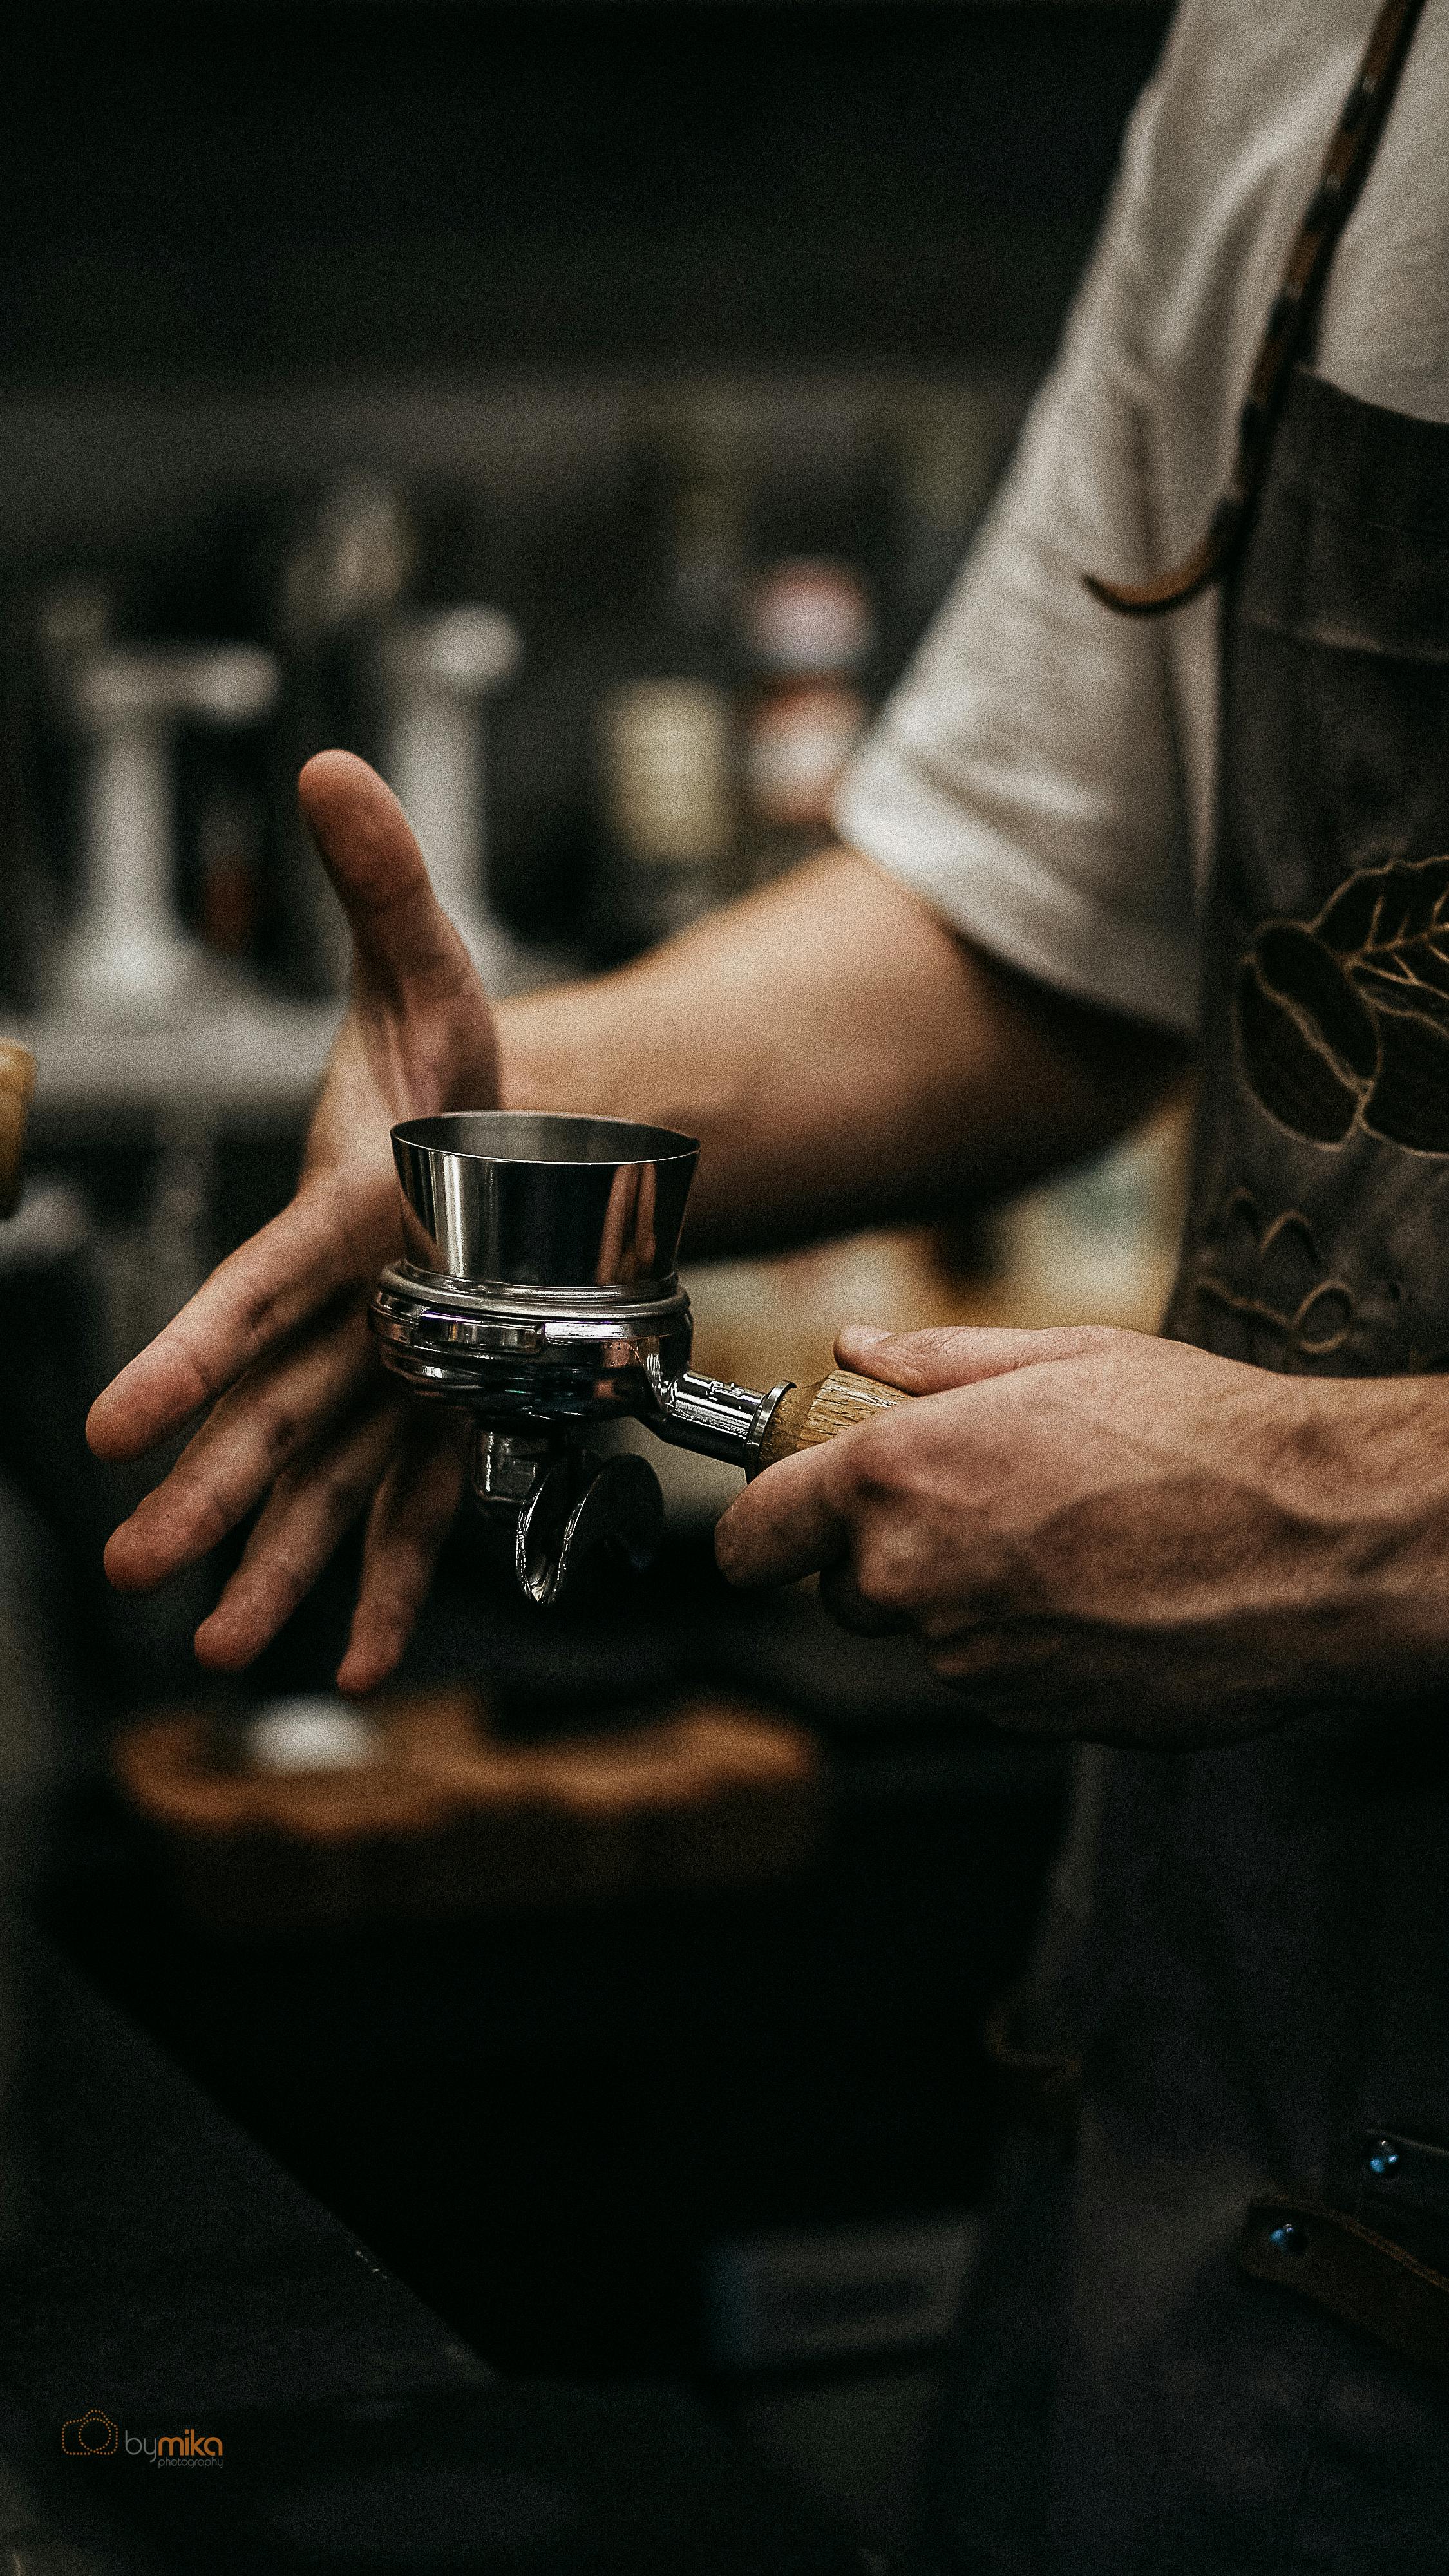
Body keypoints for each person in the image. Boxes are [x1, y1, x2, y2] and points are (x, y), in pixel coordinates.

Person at [85, 1, 1449, 2564]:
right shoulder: (1304, 46)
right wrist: (510, 1136)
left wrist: (1376, 1515)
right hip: (1228, 2135)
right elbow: (1032, 920)